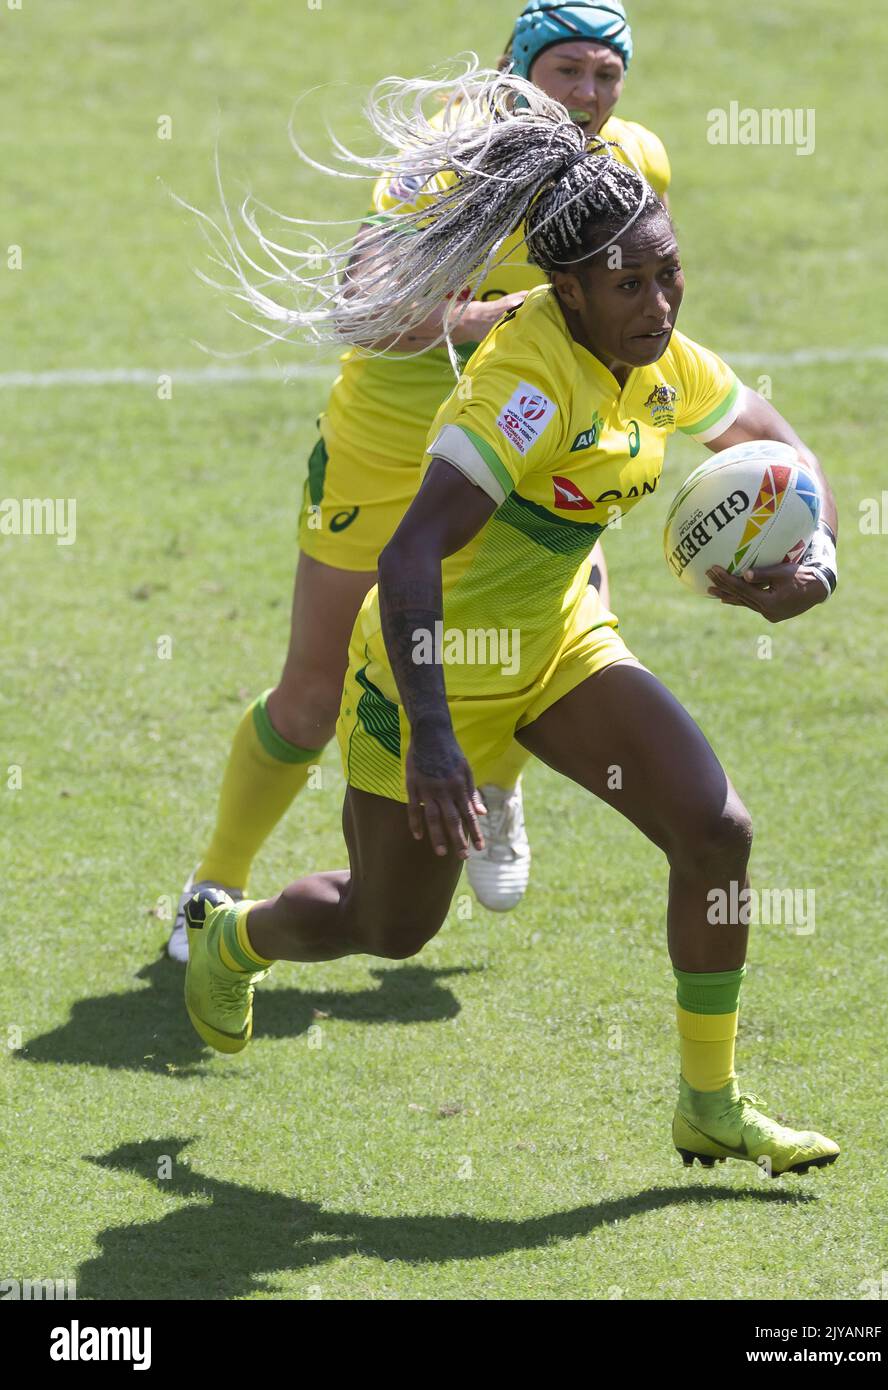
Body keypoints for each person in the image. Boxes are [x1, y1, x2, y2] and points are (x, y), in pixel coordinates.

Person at [182, 67, 841, 1177]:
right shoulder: (523, 383)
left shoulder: (655, 356)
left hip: (557, 652)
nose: (659, 303)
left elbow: (771, 443)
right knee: (391, 929)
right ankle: (235, 937)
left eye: (669, 273)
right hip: (423, 670)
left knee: (716, 829)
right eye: (628, 285)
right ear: (565, 292)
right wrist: (438, 741)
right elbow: (407, 554)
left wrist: (809, 551)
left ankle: (710, 1102)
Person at [168, 0, 671, 959]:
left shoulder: (630, 164)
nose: (588, 96)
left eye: (607, 76)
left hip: (520, 452)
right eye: (567, 71)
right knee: (313, 695)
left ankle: (497, 784)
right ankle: (215, 886)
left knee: (534, 644)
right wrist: (517, 317)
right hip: (388, 449)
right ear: (514, 70)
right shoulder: (442, 166)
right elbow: (364, 316)